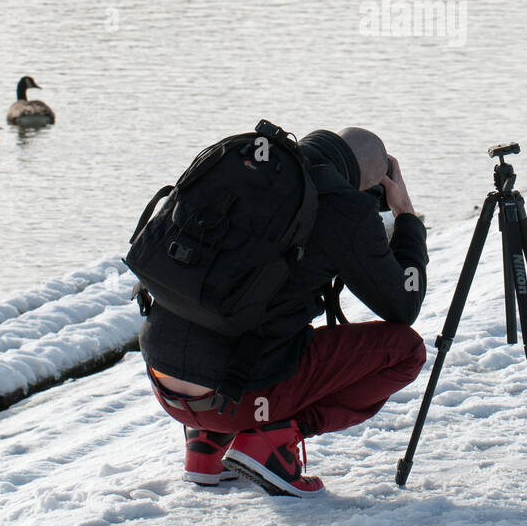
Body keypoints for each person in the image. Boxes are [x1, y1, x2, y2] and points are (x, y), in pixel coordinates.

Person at [139, 127, 428, 498]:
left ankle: (207, 447)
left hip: (165, 385)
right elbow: (403, 306)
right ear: (367, 183)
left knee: (230, 317)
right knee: (405, 350)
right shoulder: (344, 205)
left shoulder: (247, 170)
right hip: (235, 397)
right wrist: (405, 215)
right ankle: (270, 440)